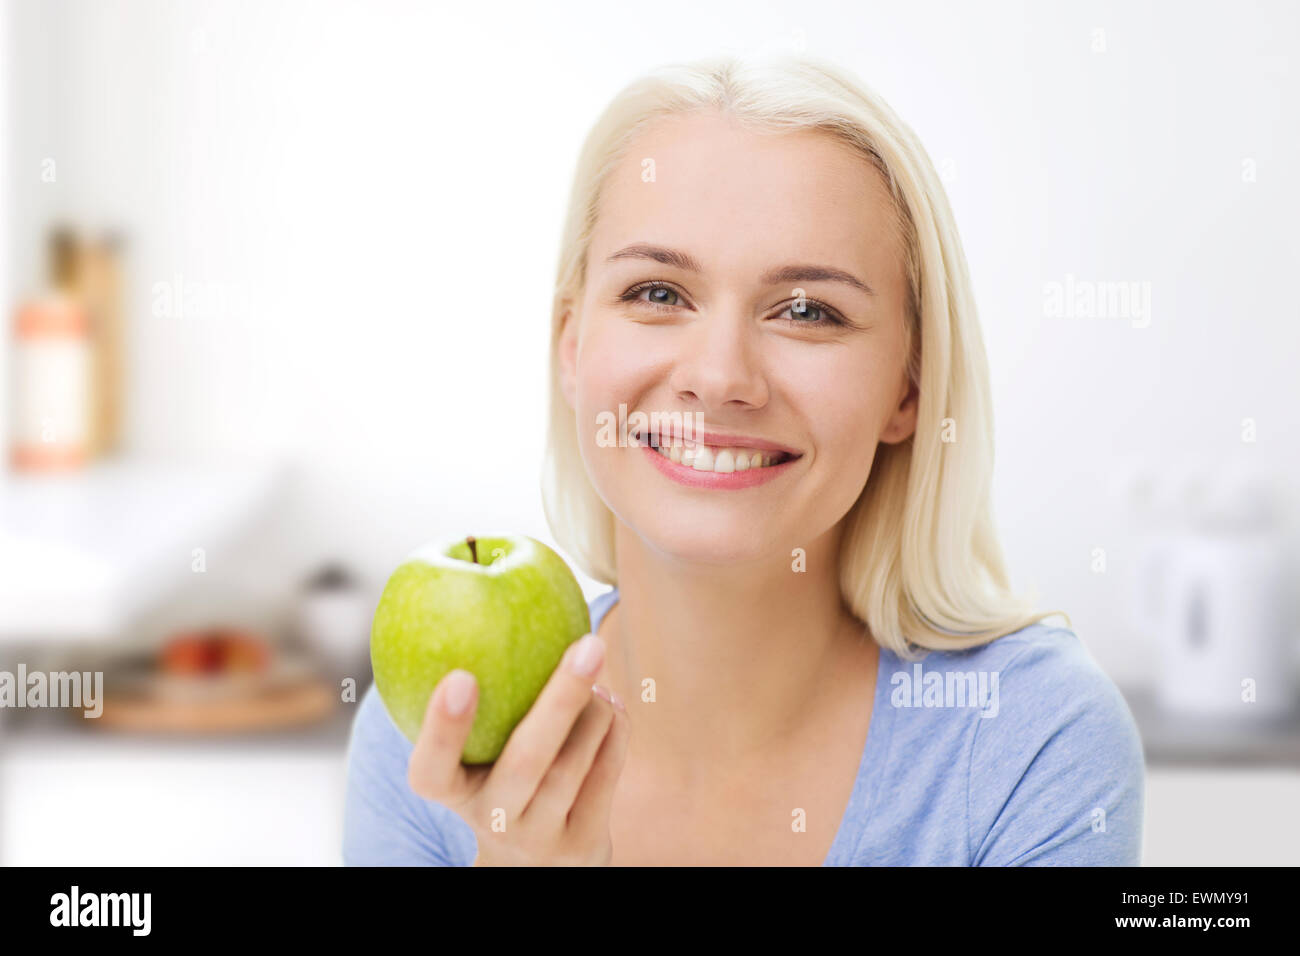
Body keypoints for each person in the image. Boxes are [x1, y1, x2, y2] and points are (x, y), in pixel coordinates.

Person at [344, 54, 1145, 866]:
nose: (720, 376)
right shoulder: (438, 729)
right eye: (657, 293)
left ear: (908, 389)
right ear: (572, 345)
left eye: (807, 311)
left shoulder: (1032, 742)